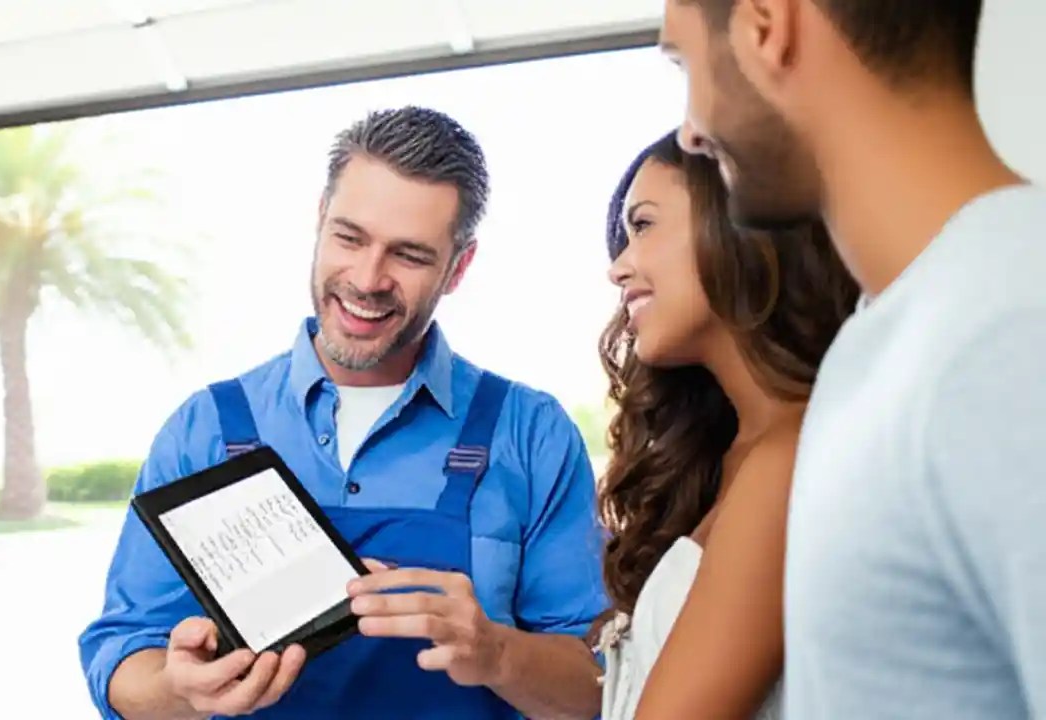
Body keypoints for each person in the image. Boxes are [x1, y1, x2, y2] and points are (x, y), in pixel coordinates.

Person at [78, 105, 608, 720]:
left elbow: (597, 688)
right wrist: (179, 690)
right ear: (320, 221)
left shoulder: (532, 434)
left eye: (409, 255)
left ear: (458, 267)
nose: (367, 278)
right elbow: (121, 654)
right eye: (349, 238)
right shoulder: (205, 431)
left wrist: (497, 653)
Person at [659, 0, 1046, 717]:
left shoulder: (1010, 332)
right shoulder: (885, 342)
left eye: (685, 63)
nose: (691, 130)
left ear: (767, 27)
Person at [590, 130, 855, 720]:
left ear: (737, 223)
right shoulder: (732, 456)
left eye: (644, 225)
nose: (618, 268)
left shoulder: (793, 459)